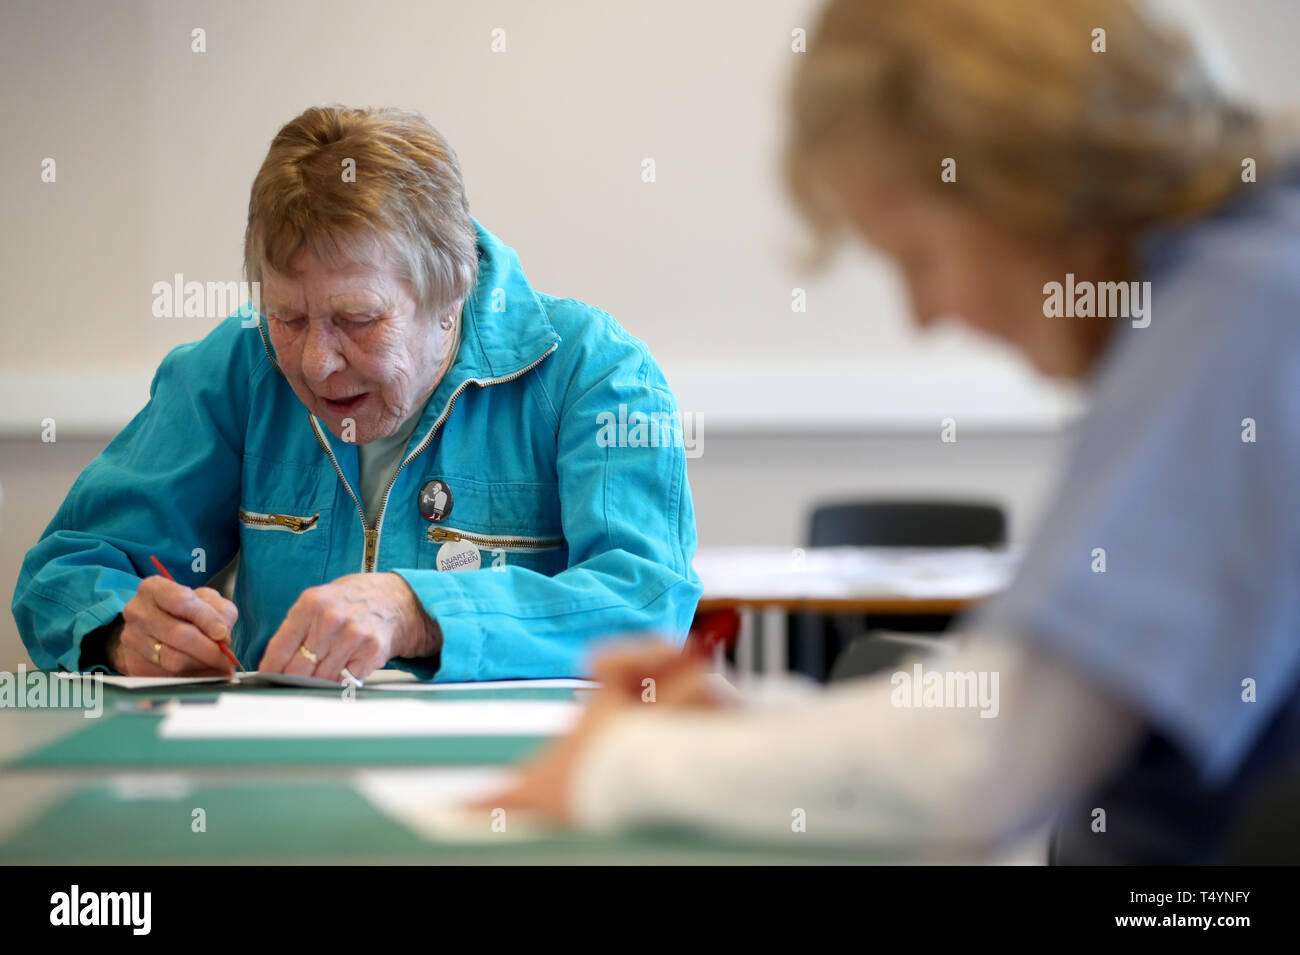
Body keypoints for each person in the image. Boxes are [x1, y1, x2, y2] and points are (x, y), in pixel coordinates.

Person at [480, 0, 1300, 863]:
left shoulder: (1250, 310)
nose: (921, 316)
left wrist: (621, 769)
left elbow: (979, 767)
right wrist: (748, 741)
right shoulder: (1233, 287)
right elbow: (1029, 724)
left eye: (920, 257)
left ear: (1025, 184)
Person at [12, 105, 701, 683]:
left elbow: (647, 607)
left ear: (450, 292)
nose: (316, 362)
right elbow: (65, 566)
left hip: (513, 799)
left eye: (358, 319)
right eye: (288, 317)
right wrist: (118, 628)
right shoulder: (238, 367)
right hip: (280, 796)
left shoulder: (594, 372)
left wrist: (418, 610)